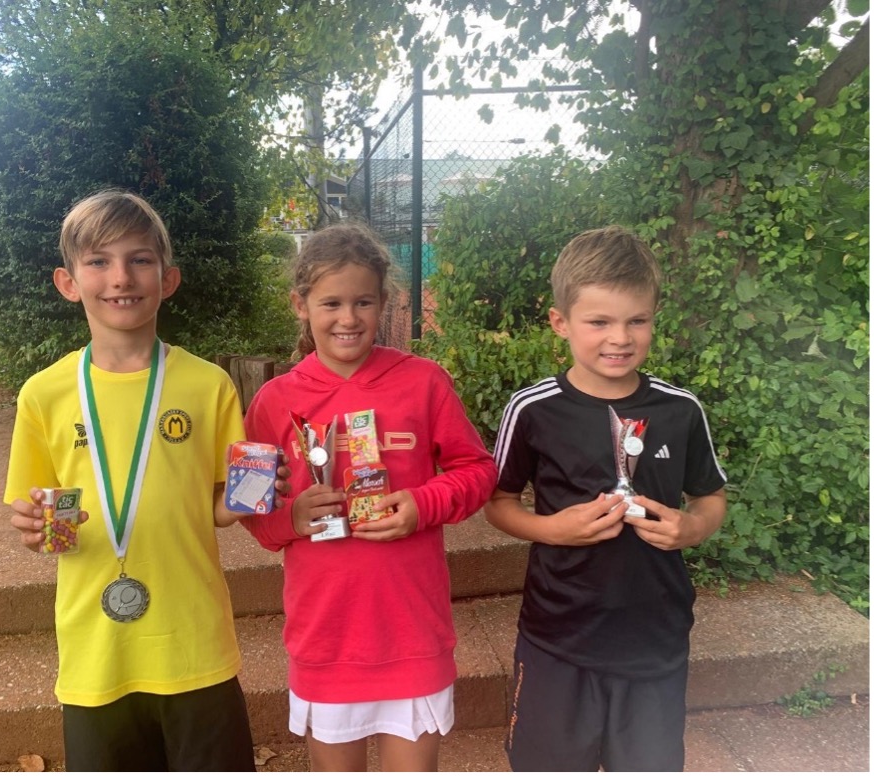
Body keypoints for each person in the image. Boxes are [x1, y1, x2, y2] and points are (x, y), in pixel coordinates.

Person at [3, 189, 264, 771]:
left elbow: (222, 505)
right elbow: (44, 517)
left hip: (194, 642)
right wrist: (37, 528)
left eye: (139, 259)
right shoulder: (43, 395)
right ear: (68, 281)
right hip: (96, 654)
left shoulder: (208, 385)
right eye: (98, 261)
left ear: (168, 279)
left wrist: (254, 494)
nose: (120, 276)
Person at [241, 221, 497, 772]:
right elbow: (255, 518)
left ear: (385, 302)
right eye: (331, 302)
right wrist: (293, 518)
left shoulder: (424, 382)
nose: (348, 318)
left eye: (363, 301)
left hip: (412, 634)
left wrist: (422, 504)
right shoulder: (272, 401)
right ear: (300, 305)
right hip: (326, 638)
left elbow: (477, 470)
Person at [485, 225, 728, 772]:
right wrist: (553, 529)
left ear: (652, 320)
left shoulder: (680, 410)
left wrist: (692, 528)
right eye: (599, 322)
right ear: (561, 323)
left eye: (636, 320)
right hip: (558, 638)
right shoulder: (533, 409)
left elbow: (711, 497)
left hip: (655, 638)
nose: (619, 338)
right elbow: (497, 502)